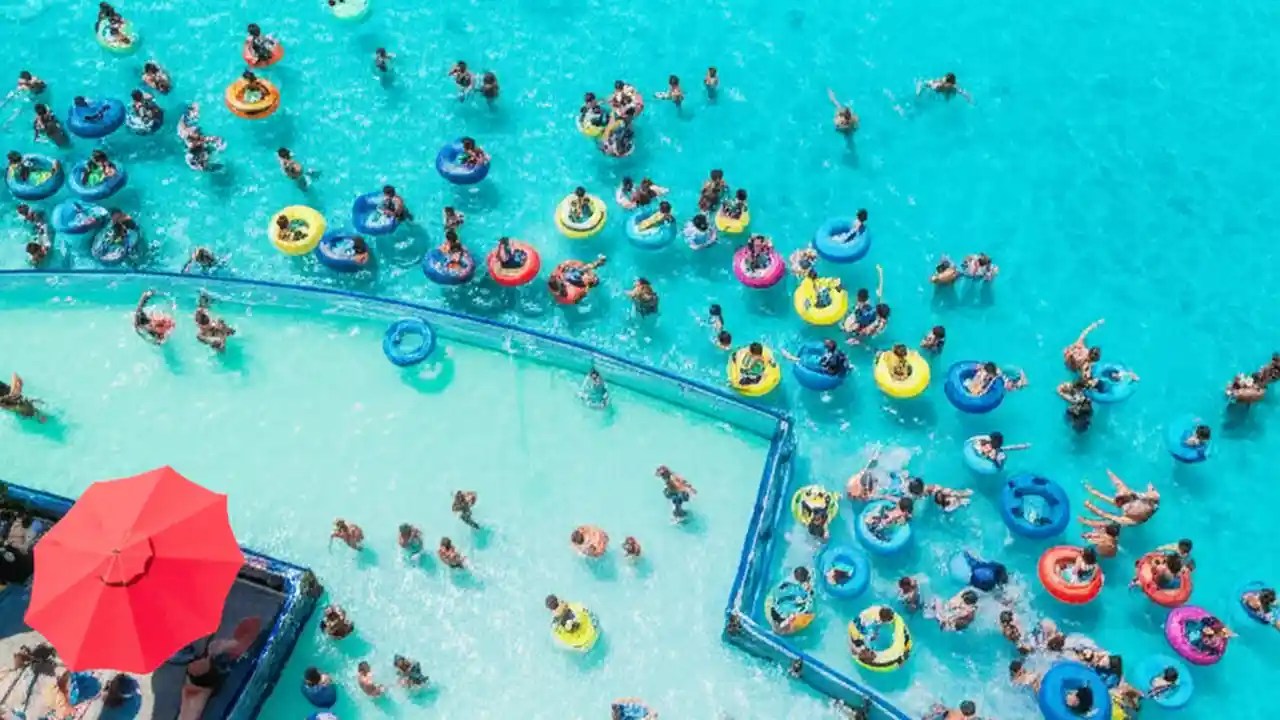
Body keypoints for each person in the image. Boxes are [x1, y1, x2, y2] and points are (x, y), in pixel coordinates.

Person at [1083, 470, 1159, 526]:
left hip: (1143, 513)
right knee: (1122, 490)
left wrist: (1090, 506)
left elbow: (1107, 515)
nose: (1124, 507)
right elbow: (1107, 515)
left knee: (1124, 490)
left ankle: (1107, 470)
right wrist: (1095, 495)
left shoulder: (1132, 519)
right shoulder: (1130, 512)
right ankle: (1107, 470)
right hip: (1142, 509)